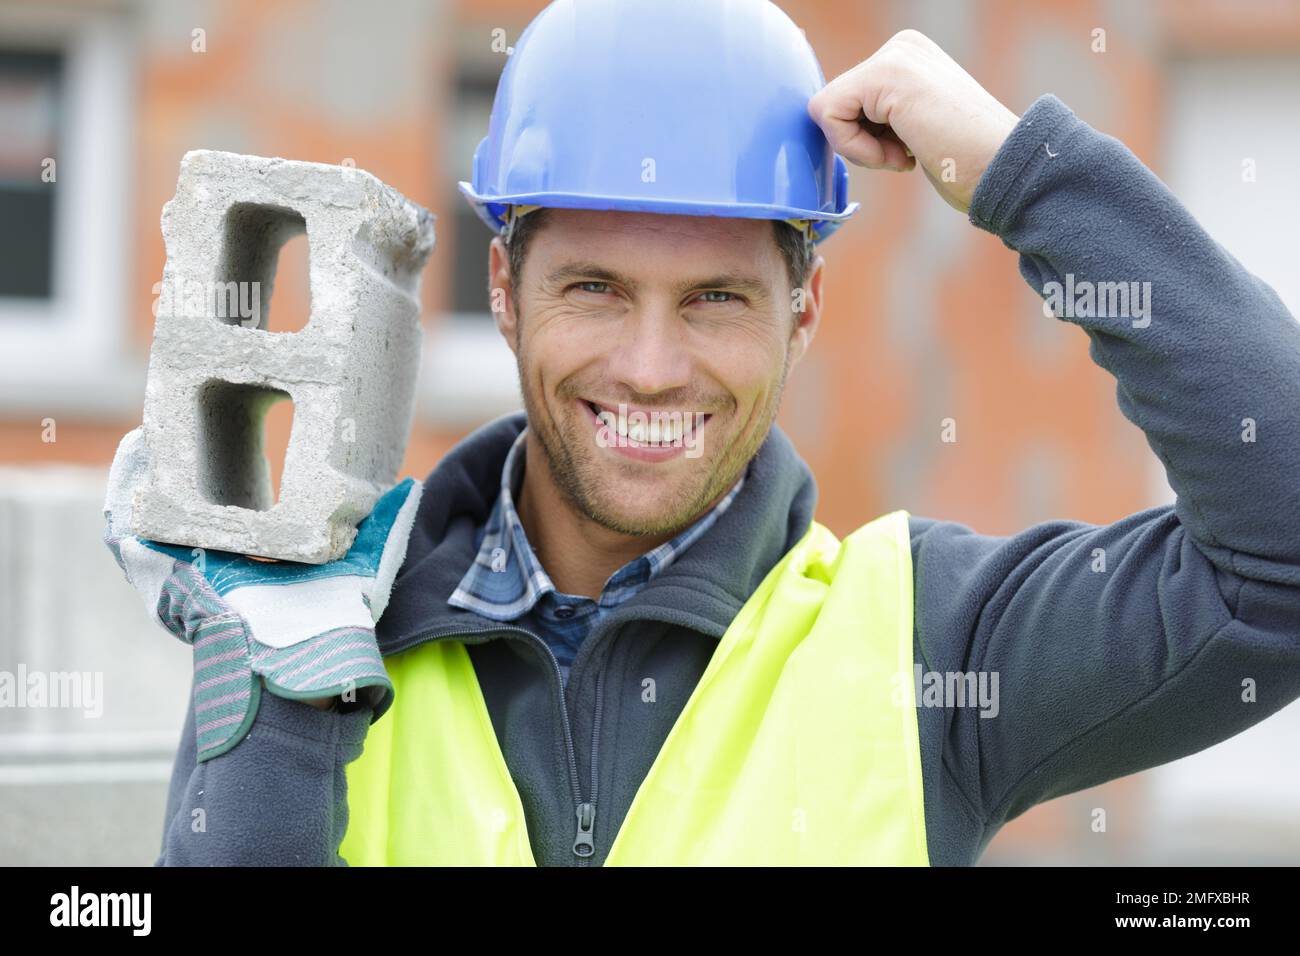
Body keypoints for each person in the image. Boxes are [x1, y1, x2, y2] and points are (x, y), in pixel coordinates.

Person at [105, 0, 1300, 865]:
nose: (648, 364)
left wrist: (1016, 167)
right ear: (506, 293)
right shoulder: (325, 626)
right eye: (594, 288)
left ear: (804, 310)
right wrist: (275, 721)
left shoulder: (932, 644)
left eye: (716, 298)